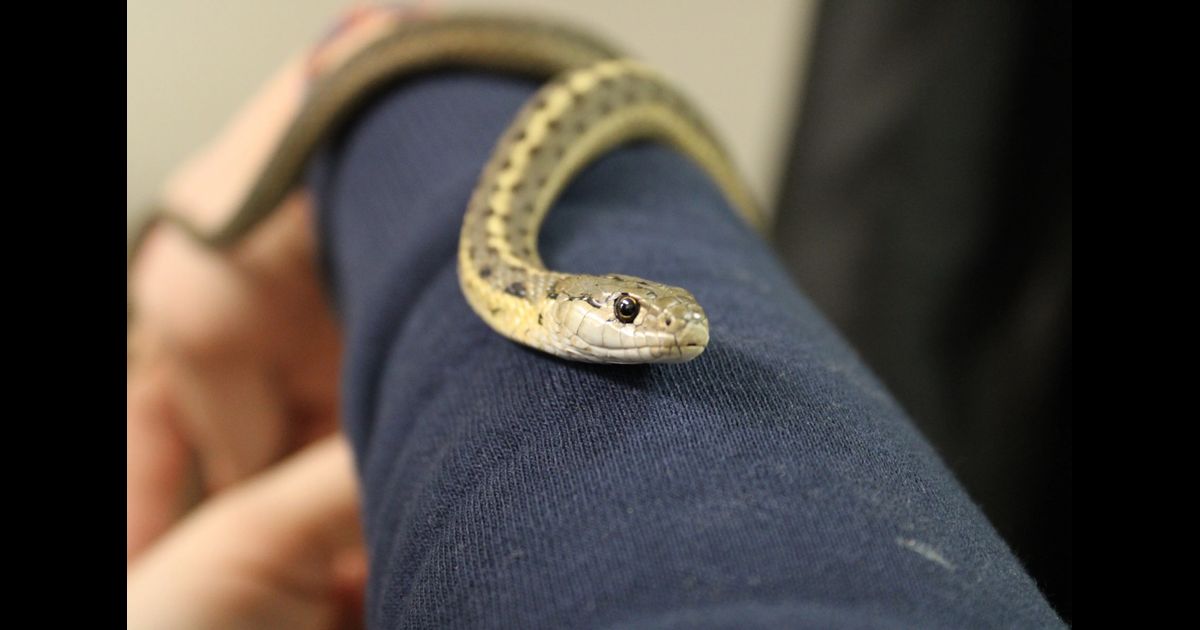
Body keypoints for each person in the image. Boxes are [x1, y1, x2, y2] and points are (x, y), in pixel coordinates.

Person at [127, 10, 1065, 628]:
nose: (666, 333)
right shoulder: (503, 275)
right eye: (626, 312)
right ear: (563, 301)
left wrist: (377, 100)